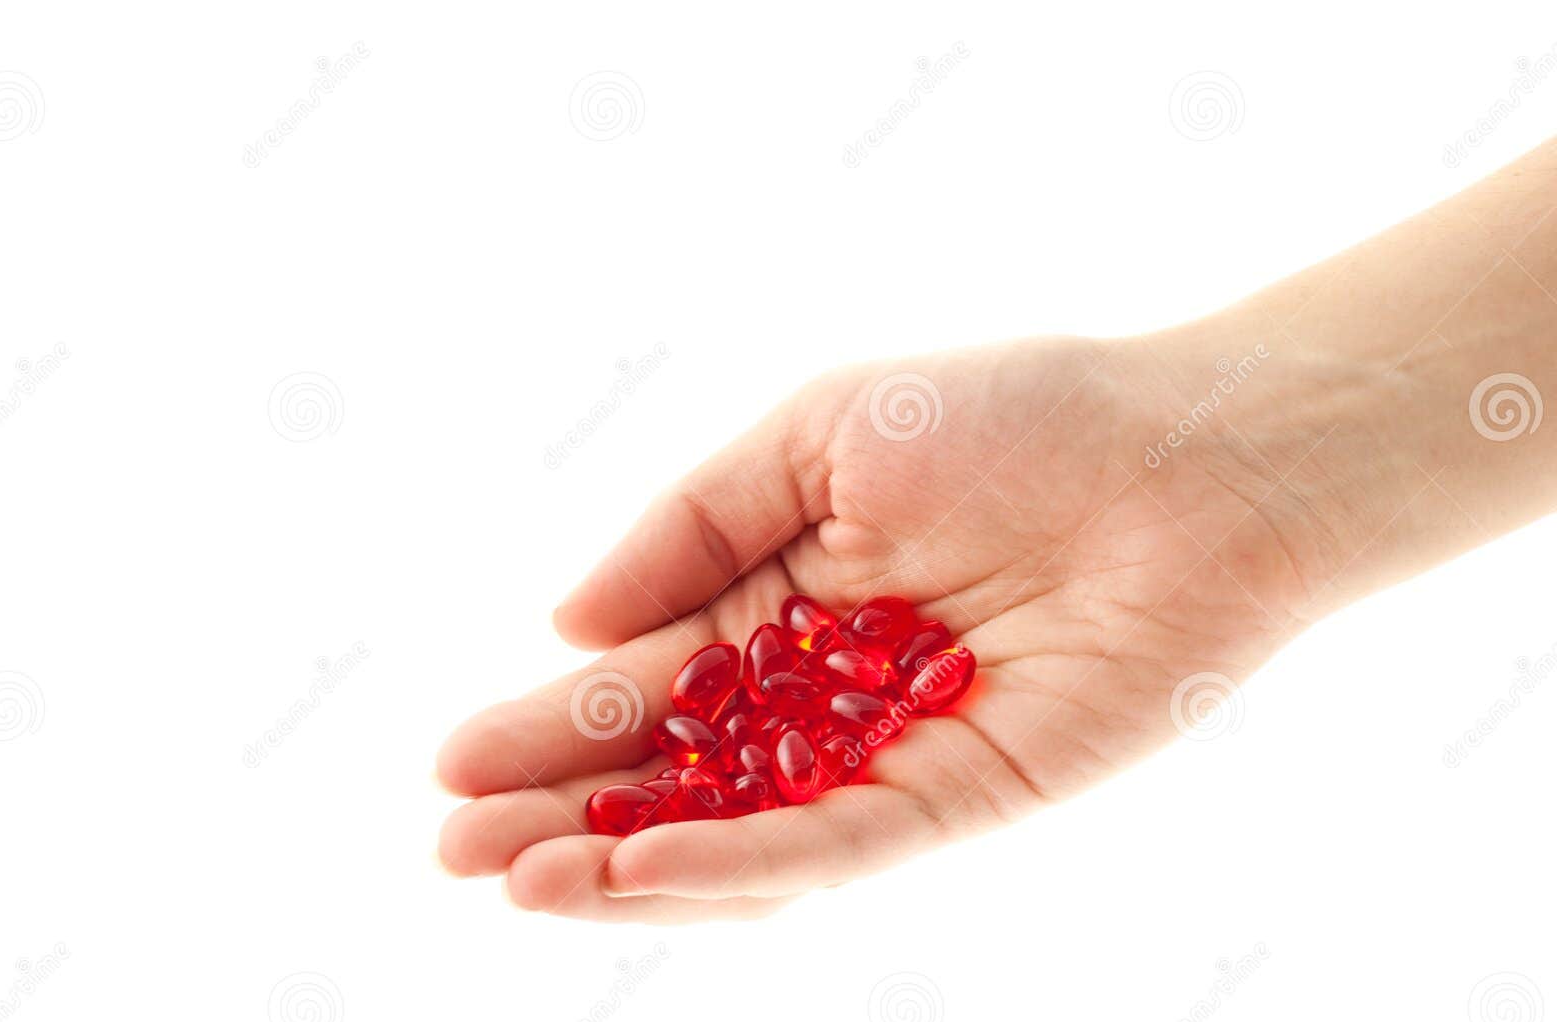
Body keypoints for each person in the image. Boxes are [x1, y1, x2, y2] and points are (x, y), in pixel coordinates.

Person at [436, 137, 1555, 922]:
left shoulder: (861, 669)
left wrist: (1218, 452)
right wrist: (1217, 446)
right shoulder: (802, 693)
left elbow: (831, 700)